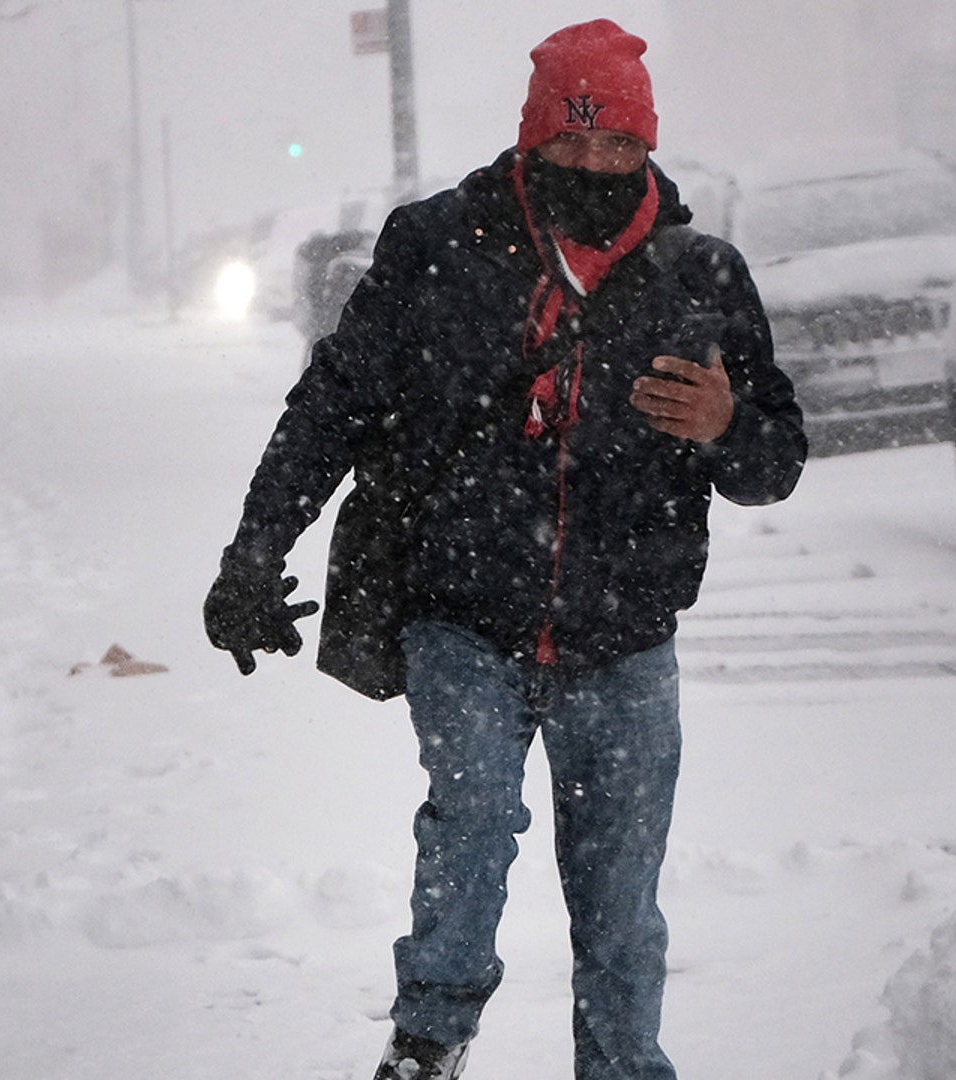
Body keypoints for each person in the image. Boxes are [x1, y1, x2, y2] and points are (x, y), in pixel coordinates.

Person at [203, 20, 806, 1080]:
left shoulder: (700, 274)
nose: (593, 163)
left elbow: (774, 463)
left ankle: (622, 1065)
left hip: (625, 637)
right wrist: (257, 549)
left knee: (621, 899)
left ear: (646, 146)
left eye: (616, 144)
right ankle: (428, 1045)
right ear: (533, 141)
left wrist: (727, 426)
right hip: (465, 616)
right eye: (570, 141)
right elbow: (334, 403)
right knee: (469, 828)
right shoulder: (440, 246)